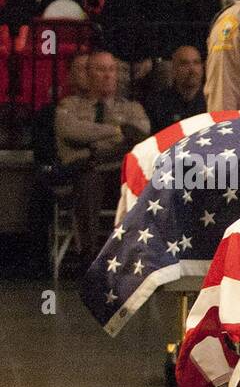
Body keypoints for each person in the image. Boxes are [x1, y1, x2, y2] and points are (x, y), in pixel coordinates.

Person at [54, 50, 149, 260]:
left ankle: (136, 256)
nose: (107, 75)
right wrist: (117, 131)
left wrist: (93, 140)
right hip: (84, 174)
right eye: (100, 70)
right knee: (89, 180)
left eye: (111, 70)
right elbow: (71, 131)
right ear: (87, 75)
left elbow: (141, 131)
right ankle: (88, 257)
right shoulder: (70, 105)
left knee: (144, 180)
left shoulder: (132, 107)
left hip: (119, 172)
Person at [145, 45, 206, 131]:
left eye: (196, 62)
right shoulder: (158, 103)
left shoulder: (212, 101)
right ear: (174, 69)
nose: (192, 69)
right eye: (184, 63)